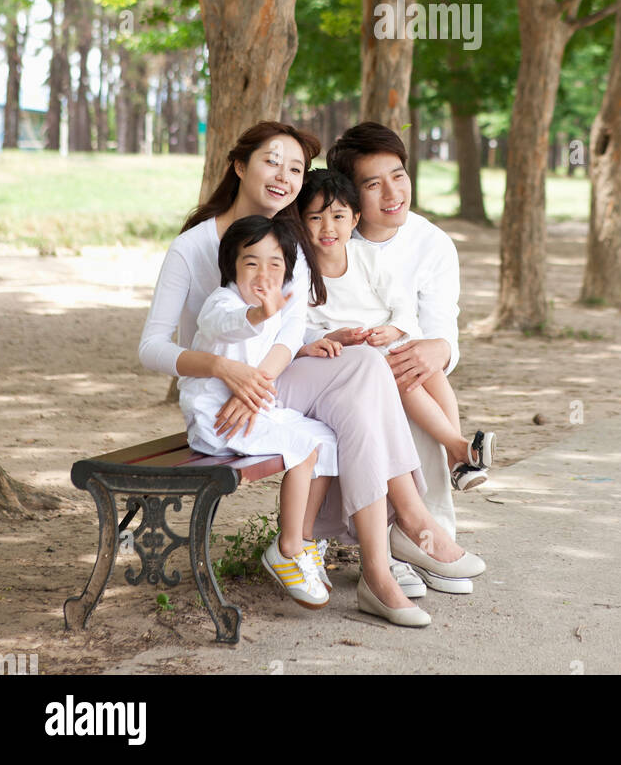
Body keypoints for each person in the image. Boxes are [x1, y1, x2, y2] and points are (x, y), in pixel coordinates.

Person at [139, 119, 485, 627]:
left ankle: (385, 556)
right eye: (271, 162)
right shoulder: (192, 247)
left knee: (366, 364)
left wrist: (312, 350)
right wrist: (228, 370)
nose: (283, 176)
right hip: (225, 392)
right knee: (364, 381)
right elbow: (151, 347)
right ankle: (394, 547)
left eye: (295, 168)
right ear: (239, 166)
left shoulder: (291, 241)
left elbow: (289, 330)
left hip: (272, 382)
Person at [296, 168, 495, 490]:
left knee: (429, 371)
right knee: (404, 380)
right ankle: (458, 451)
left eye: (338, 216)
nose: (328, 228)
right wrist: (330, 337)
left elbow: (403, 306)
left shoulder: (366, 258)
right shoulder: (301, 271)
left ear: (355, 218)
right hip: (349, 358)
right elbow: (300, 328)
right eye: (315, 218)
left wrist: (394, 329)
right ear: (300, 222)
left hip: (386, 338)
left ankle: (457, 457)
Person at [179, 213, 339, 608]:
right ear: (231, 266)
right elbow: (231, 326)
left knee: (325, 438)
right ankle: (287, 548)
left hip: (253, 413)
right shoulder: (225, 302)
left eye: (275, 264)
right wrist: (259, 314)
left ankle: (302, 538)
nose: (263, 274)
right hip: (218, 421)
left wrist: (300, 346)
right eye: (251, 262)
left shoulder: (275, 305)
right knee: (303, 448)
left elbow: (269, 347)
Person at [326, 122, 465, 566]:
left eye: (398, 175)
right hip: (344, 366)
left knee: (416, 372)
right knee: (388, 382)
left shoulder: (432, 243)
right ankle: (390, 542)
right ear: (351, 195)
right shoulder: (332, 239)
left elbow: (443, 326)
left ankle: (431, 530)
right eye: (373, 184)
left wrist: (438, 349)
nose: (392, 193)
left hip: (407, 359)